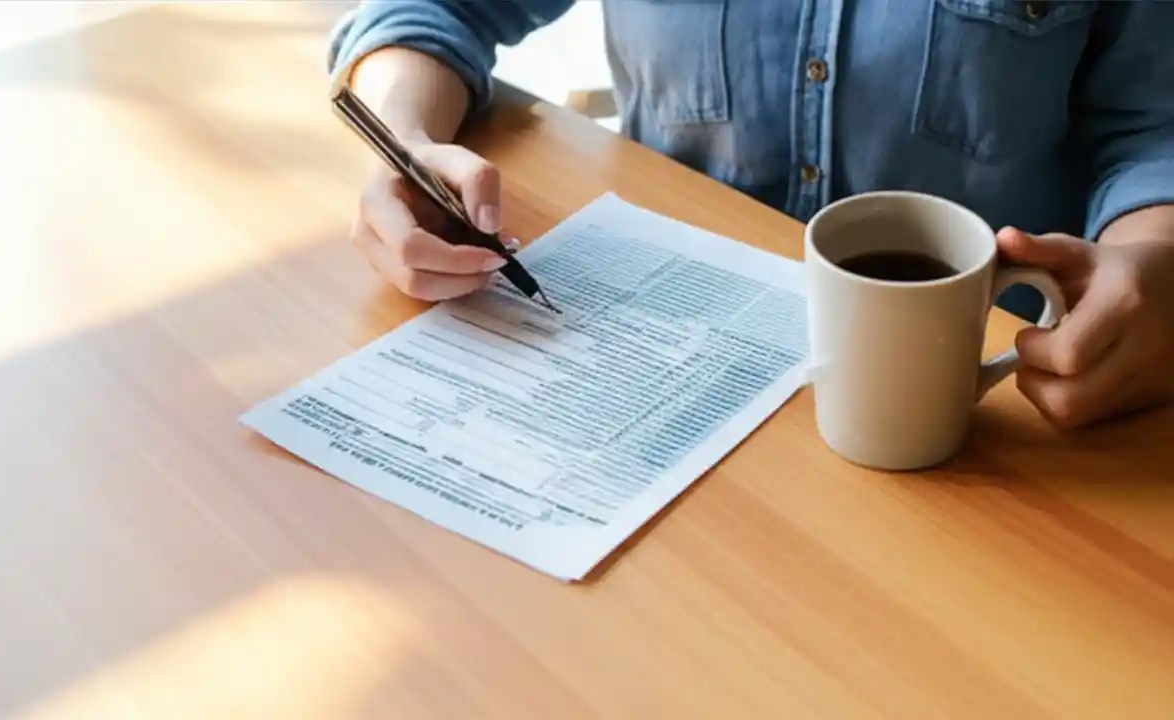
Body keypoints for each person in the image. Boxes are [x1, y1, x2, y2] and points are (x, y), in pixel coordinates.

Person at [327, 1, 1174, 429]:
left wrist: (1157, 257)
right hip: (663, 367)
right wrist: (402, 138)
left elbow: (1153, 123)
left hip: (989, 412)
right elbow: (440, 9)